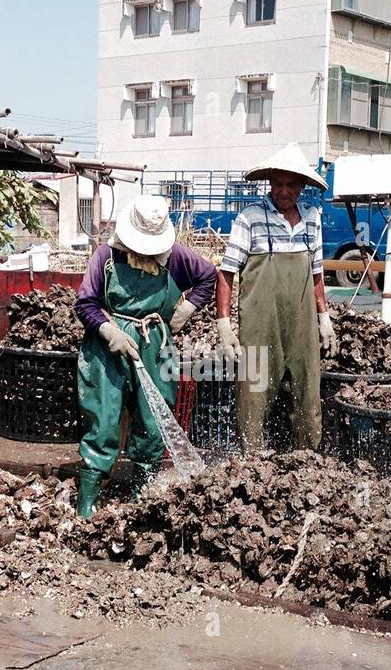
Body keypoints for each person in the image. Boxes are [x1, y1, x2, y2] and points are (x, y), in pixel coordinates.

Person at [74, 194, 216, 518]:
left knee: (153, 421)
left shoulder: (175, 257)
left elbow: (209, 276)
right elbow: (86, 303)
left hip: (154, 343)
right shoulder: (107, 256)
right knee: (104, 417)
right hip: (108, 346)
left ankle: (142, 493)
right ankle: (88, 501)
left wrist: (184, 312)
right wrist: (111, 332)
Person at [215, 142, 338, 450]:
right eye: (278, 184)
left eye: (291, 185)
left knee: (306, 387)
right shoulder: (250, 218)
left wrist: (324, 317)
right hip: (260, 323)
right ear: (270, 183)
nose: (284, 191)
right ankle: (251, 460)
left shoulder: (312, 219)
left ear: (302, 187)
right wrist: (224, 324)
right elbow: (226, 272)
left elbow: (317, 274)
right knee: (254, 391)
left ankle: (306, 460)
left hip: (301, 322)